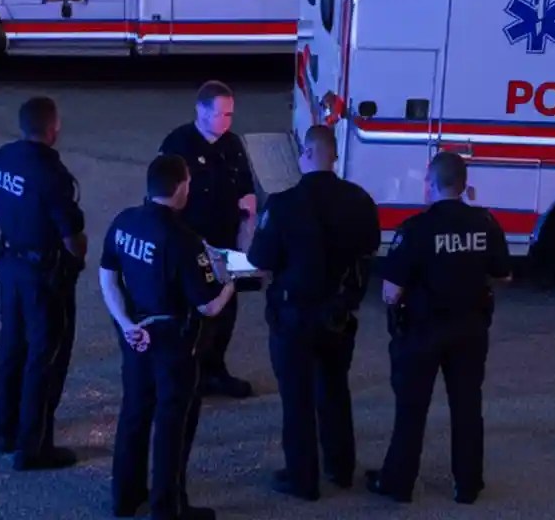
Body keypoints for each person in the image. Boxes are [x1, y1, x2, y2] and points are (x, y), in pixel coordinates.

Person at [366, 151, 512, 505]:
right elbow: (504, 274)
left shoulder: (417, 228)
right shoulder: (486, 223)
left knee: (412, 408)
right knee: (467, 406)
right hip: (471, 328)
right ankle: (468, 485)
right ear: (463, 185)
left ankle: (398, 483)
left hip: (423, 331)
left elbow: (391, 292)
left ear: (430, 185)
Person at [98, 154, 237, 520]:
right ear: (179, 189)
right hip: (174, 344)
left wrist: (126, 324)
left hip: (136, 337)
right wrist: (229, 282)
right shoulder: (184, 241)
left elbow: (107, 276)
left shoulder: (124, 222)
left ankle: (125, 497)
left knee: (134, 412)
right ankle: (167, 507)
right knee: (173, 424)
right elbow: (208, 306)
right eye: (188, 183)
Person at [246, 125, 380, 500]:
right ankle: (340, 467)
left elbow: (260, 259)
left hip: (294, 315)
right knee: (335, 389)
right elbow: (369, 250)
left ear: (305, 155)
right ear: (334, 156)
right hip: (339, 314)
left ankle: (302, 478)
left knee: (297, 398)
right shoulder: (360, 201)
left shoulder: (284, 204)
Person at [0, 96, 87, 471]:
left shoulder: (1, 158)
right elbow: (72, 236)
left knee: (11, 348)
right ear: (53, 128)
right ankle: (34, 446)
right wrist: (75, 261)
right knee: (44, 357)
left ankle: (5, 431)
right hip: (42, 275)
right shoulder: (52, 174)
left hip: (9, 264)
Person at [157, 80, 257, 399]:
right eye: (220, 114)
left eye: (230, 115)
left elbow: (245, 187)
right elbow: (162, 200)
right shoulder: (178, 145)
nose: (226, 121)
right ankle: (189, 375)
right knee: (192, 315)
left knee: (226, 313)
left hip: (226, 245)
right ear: (200, 111)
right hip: (190, 247)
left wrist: (247, 228)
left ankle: (215, 371)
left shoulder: (232, 145)